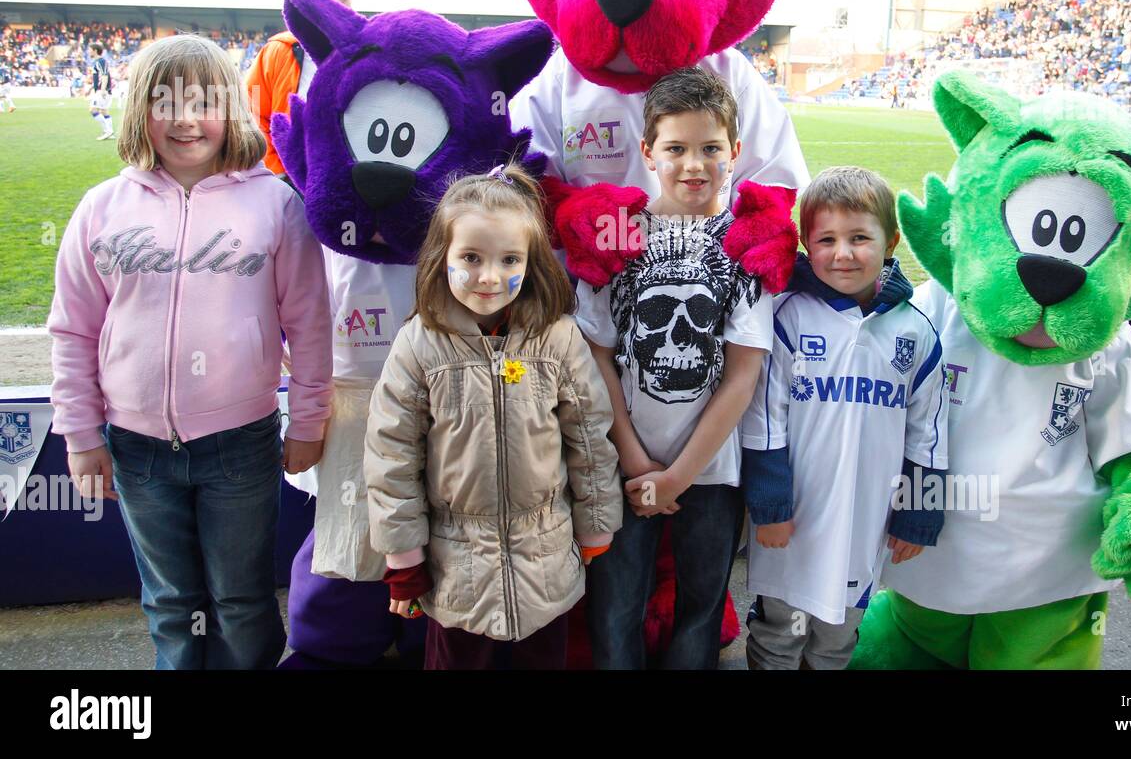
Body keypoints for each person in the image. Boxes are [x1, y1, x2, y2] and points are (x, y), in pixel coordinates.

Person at [48, 35, 333, 669]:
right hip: (135, 449)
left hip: (240, 445)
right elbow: (72, 330)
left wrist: (308, 420)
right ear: (136, 111)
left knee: (240, 601)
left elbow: (311, 327)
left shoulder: (275, 204)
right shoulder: (102, 208)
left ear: (232, 108)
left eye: (203, 100)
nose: (184, 117)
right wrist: (79, 433)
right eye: (164, 100)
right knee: (172, 602)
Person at [365, 163, 622, 670]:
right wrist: (403, 558)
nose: (489, 276)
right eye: (471, 258)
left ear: (532, 261)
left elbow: (589, 438)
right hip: (456, 569)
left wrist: (597, 524)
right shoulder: (419, 345)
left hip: (545, 560)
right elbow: (391, 457)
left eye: (509, 259)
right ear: (443, 258)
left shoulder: (558, 337)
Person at [576, 67, 773, 669]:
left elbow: (742, 376)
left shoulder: (744, 244)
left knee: (701, 608)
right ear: (647, 152)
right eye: (677, 149)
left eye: (711, 149)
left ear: (734, 152)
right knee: (615, 608)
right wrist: (638, 464)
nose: (695, 164)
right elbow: (596, 358)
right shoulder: (617, 238)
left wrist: (679, 476)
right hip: (622, 464)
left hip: (710, 472)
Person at [740, 166, 947, 670]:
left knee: (838, 636)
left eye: (859, 238)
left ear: (891, 240)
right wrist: (770, 509)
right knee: (780, 631)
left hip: (866, 517)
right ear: (807, 245)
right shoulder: (788, 315)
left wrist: (919, 515)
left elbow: (930, 435)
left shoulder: (915, 330)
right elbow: (765, 423)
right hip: (793, 519)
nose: (843, 253)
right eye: (826, 240)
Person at [245, 0, 352, 178]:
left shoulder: (359, 57)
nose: (331, 9)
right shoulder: (278, 51)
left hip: (337, 178)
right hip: (282, 175)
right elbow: (252, 112)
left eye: (341, 3)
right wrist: (275, 171)